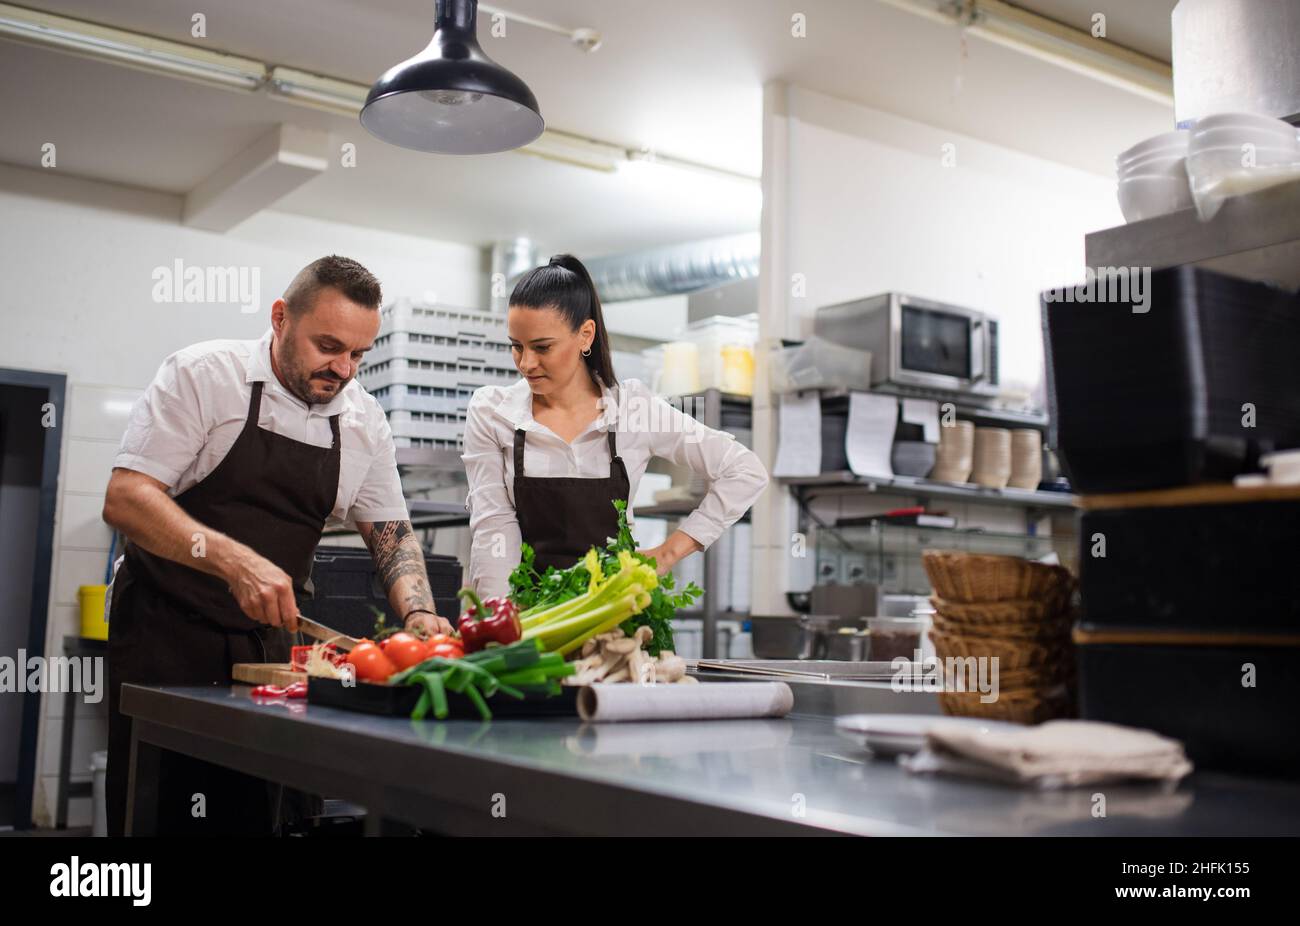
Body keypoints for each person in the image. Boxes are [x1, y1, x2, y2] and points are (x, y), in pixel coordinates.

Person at [102, 255, 453, 835]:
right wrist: (234, 562)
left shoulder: (364, 421)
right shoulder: (204, 376)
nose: (343, 368)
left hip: (272, 646)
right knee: (164, 808)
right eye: (328, 346)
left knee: (261, 810)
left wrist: (418, 610)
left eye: (358, 355)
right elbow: (127, 497)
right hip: (166, 634)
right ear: (280, 318)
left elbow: (390, 531)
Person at [462, 253, 768, 598]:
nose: (527, 363)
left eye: (542, 347)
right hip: (529, 615)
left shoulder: (633, 409)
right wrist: (498, 622)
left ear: (585, 335)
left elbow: (745, 471)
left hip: (613, 615)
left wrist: (669, 553)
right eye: (516, 347)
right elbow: (494, 527)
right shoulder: (492, 412)